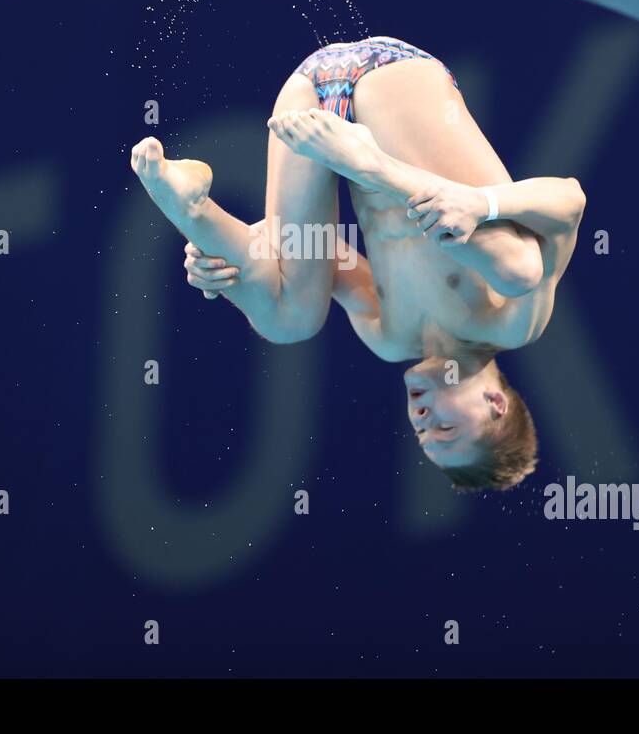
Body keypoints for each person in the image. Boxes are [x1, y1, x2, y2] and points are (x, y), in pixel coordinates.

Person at [130, 37, 585, 490]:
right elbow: (569, 201)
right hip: (393, 82)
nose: (422, 419)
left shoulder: (388, 338)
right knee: (522, 269)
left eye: (422, 434)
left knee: (289, 321)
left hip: (308, 98)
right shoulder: (511, 327)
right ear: (494, 403)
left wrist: (229, 254)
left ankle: (193, 207)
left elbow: (319, 248)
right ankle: (372, 166)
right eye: (446, 428)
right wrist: (480, 203)